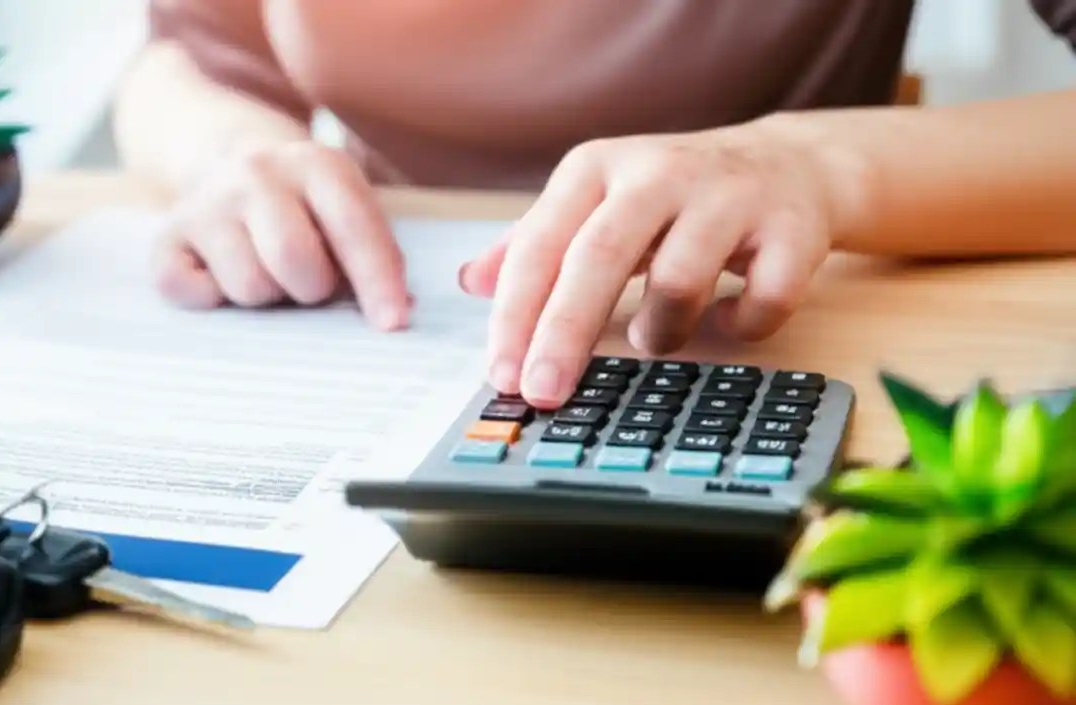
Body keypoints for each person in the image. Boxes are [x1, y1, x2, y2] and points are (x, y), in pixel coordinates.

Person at [113, 1, 1076, 409]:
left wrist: (813, 165)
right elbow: (187, 54)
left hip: (788, 333)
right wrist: (229, 151)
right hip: (371, 342)